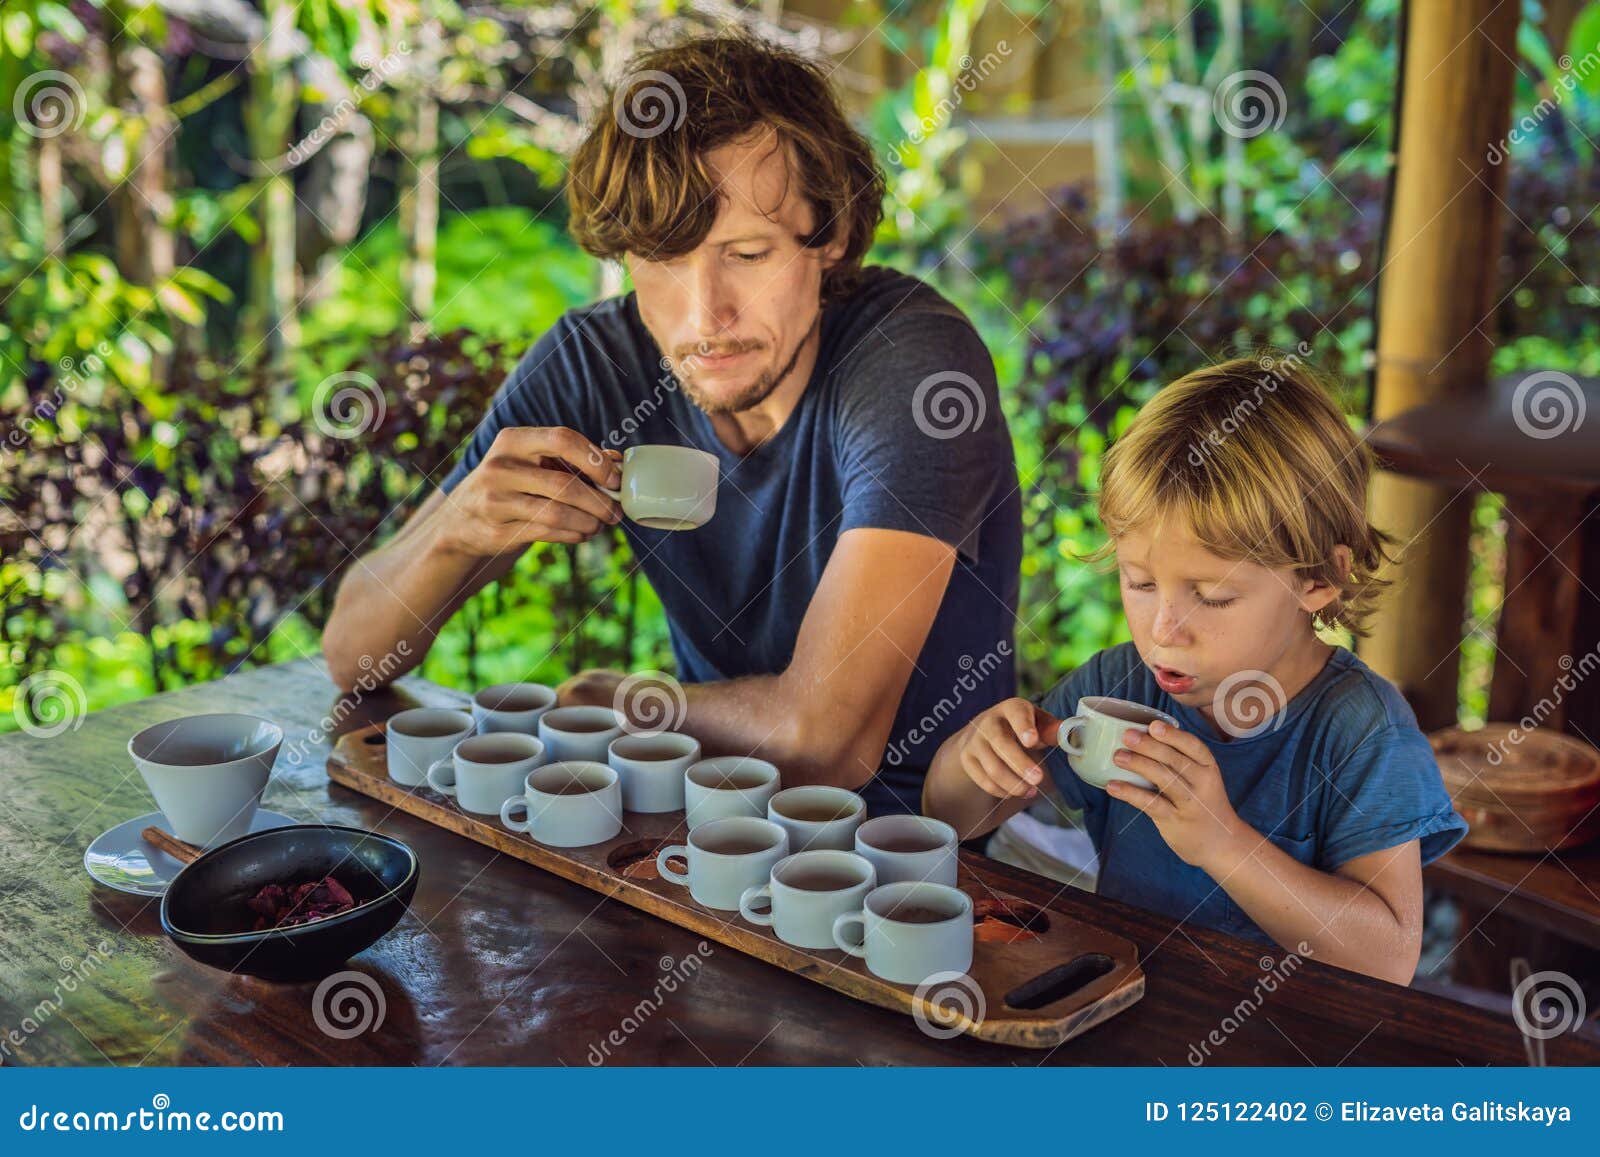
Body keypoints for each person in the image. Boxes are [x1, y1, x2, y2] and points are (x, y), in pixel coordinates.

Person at [321, 34, 1020, 816]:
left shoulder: (914, 366)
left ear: (832, 237)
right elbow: (353, 654)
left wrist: (610, 700)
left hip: (917, 852)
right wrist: (457, 529)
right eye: (663, 261)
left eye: (748, 254)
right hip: (705, 817)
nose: (705, 316)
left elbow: (826, 740)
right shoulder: (598, 362)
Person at [922, 356, 1467, 983]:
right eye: (1140, 582)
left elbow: (1389, 958)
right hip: (1131, 1008)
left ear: (1320, 579)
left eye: (1213, 597)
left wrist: (1222, 842)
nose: (1163, 631)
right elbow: (954, 822)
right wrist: (973, 761)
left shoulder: (1362, 733)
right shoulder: (1118, 689)